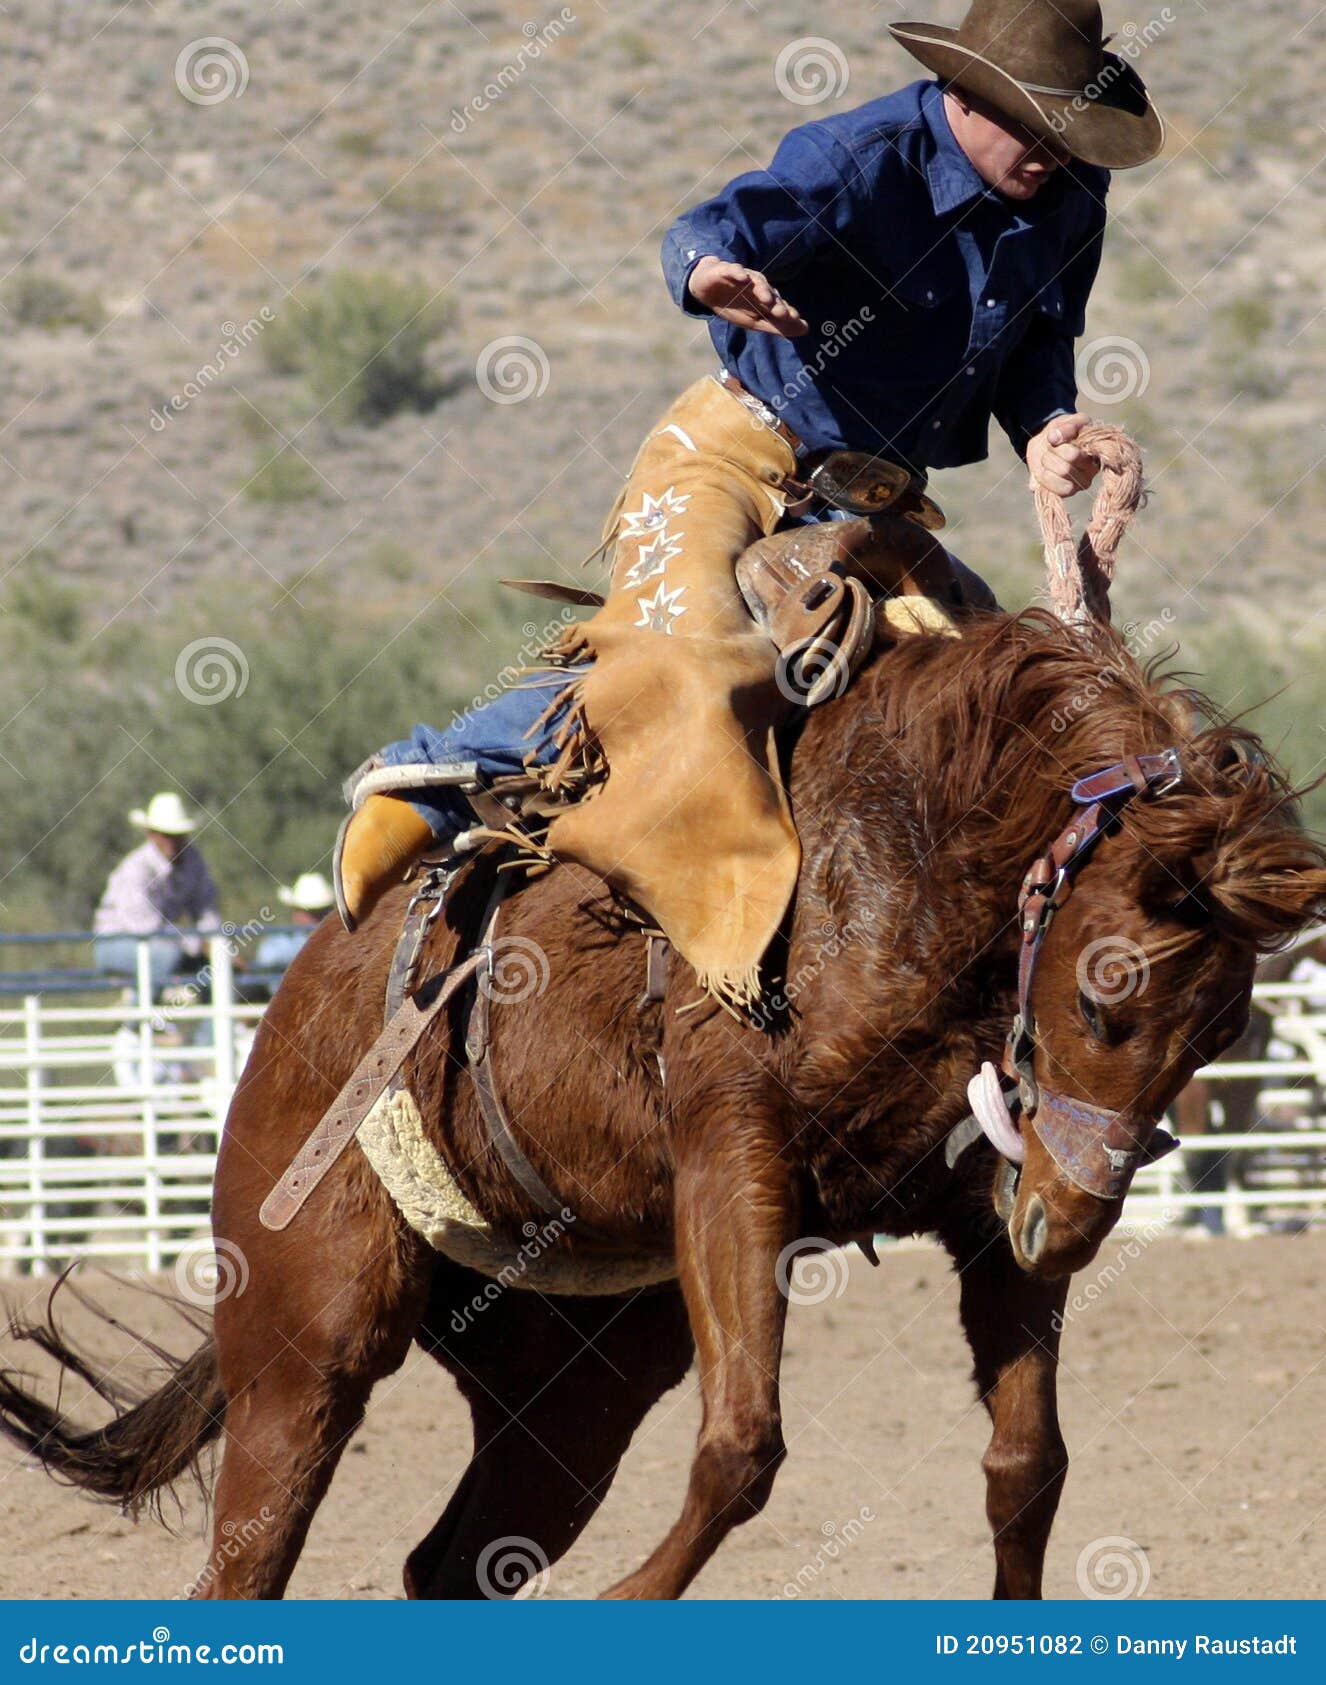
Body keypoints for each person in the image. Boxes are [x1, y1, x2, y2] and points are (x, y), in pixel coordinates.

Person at [336, 0, 1163, 1008]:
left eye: (1067, 130)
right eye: (1036, 126)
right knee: (685, 650)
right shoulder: (862, 156)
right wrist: (714, 274)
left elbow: (1041, 349)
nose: (1053, 151)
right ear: (966, 96)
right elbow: (712, 226)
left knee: (1002, 704)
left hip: (877, 507)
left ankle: (1003, 1021)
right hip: (738, 449)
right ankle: (432, 778)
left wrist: (1049, 427)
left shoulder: (1075, 194)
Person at [93, 792, 221, 991]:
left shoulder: (193, 860)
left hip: (165, 942)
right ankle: (133, 1020)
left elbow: (205, 908)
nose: (171, 840)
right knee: (164, 958)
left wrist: (218, 946)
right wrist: (201, 945)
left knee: (218, 970)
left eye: (176, 834)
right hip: (116, 941)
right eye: (165, 834)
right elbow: (146, 927)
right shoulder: (137, 868)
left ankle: (213, 1021)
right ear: (150, 834)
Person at [253, 872, 335, 976]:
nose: (316, 918)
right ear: (296, 913)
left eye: (322, 911)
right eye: (310, 912)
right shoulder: (280, 943)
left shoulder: (339, 940)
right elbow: (266, 960)